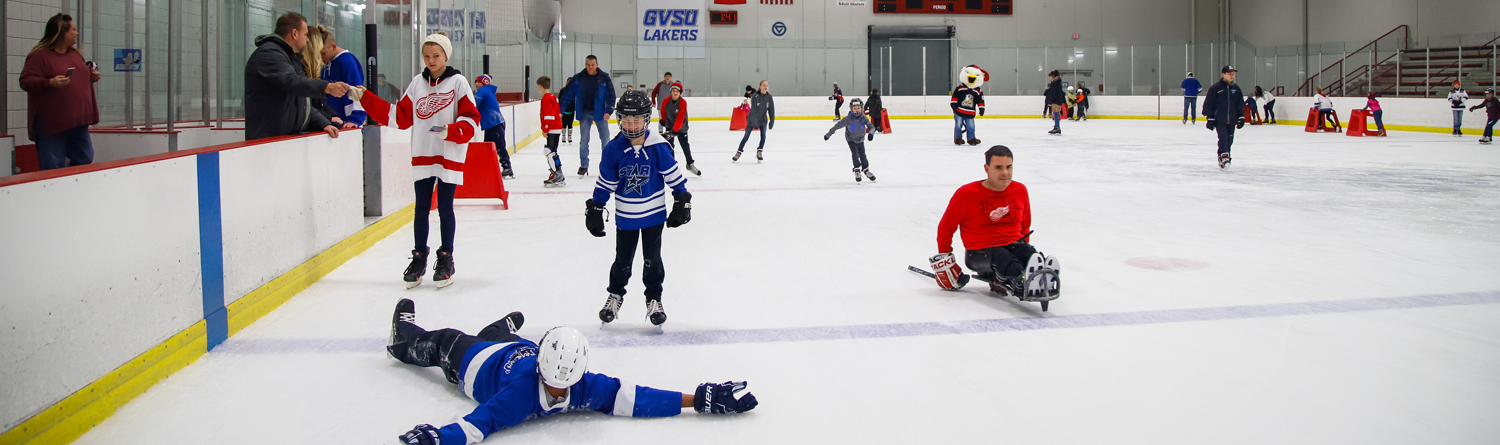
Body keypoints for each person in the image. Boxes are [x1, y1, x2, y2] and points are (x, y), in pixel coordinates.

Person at [384, 299, 756, 445]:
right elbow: (475, 425)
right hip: (476, 359)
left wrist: (697, 400)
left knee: (501, 335)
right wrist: (438, 438)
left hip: (516, 351)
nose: (561, 393)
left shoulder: (576, 384)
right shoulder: (522, 396)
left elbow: (634, 397)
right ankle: (402, 338)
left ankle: (499, 328)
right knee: (442, 341)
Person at [349, 31, 478, 289]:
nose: (431, 60)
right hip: (422, 155)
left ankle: (446, 258)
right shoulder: (417, 84)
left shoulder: (458, 83)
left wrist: (451, 131)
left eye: (436, 56)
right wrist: (365, 97)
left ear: (446, 56)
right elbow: (400, 116)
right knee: (420, 209)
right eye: (427, 56)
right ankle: (419, 256)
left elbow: (472, 119)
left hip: (448, 154)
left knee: (444, 208)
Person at [587, 90, 692, 326]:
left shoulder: (658, 146)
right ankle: (615, 295)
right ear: (619, 119)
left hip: (654, 216)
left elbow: (674, 177)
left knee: (652, 260)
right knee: (622, 260)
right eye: (626, 119)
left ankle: (654, 298)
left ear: (646, 119)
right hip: (626, 217)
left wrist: (682, 199)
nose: (631, 124)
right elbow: (606, 183)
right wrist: (596, 206)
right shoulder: (613, 149)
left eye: (636, 119)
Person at [931, 145, 1060, 307]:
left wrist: (1025, 253)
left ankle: (1039, 277)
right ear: (987, 168)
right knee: (1004, 258)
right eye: (998, 167)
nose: (1005, 173)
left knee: (1027, 252)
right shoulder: (967, 193)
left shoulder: (1019, 190)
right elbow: (946, 228)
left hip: (1012, 244)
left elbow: (1025, 224)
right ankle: (1021, 281)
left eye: (1008, 167)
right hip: (979, 253)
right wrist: (946, 260)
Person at [244, 12, 346, 141]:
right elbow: (292, 82)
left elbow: (300, 102)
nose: (307, 39)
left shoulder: (290, 57)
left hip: (282, 139)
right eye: (305, 35)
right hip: (267, 140)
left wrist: (323, 122)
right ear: (294, 33)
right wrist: (327, 87)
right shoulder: (269, 54)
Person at [19, 13, 100, 170]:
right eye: (73, 29)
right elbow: (25, 81)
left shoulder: (76, 55)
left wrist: (91, 78)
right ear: (62, 32)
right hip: (52, 121)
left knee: (85, 157)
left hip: (77, 120)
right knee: (52, 165)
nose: (77, 33)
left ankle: (70, 186)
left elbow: (79, 79)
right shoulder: (39, 56)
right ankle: (53, 190)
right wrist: (49, 82)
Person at [559, 55, 616, 178]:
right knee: (584, 141)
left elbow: (611, 95)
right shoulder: (578, 78)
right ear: (585, 64)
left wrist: (609, 111)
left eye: (593, 65)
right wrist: (560, 111)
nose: (590, 67)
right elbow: (567, 94)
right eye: (588, 65)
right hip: (584, 113)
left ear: (597, 64)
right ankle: (584, 165)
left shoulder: (604, 78)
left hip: (601, 113)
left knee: (605, 141)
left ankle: (607, 165)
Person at [318, 27, 366, 129]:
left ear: (333, 46)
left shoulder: (347, 61)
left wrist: (355, 119)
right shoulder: (325, 63)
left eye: (323, 53)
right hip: (333, 120)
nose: (321, 57)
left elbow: (357, 90)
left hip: (346, 122)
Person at [824, 98, 877, 183]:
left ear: (862, 108)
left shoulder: (864, 118)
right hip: (851, 139)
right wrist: (829, 134)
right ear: (851, 109)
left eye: (859, 108)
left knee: (863, 155)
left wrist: (871, 133)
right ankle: (857, 170)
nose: (857, 110)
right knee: (855, 154)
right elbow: (837, 126)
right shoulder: (847, 119)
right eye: (855, 108)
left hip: (860, 139)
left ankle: (866, 170)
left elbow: (871, 127)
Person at [1203, 65, 1245, 169]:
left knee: (1230, 139)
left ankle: (1225, 155)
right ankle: (1224, 155)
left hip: (1232, 118)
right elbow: (1209, 103)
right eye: (1229, 73)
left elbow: (1240, 103)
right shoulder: (1216, 88)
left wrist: (1241, 117)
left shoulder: (1236, 89)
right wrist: (1210, 118)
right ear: (1223, 74)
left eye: (1233, 74)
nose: (1232, 76)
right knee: (1223, 137)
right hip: (1219, 119)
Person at [470, 74, 511, 179]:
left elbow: (475, 103)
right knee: (488, 146)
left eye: (479, 82)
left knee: (498, 146)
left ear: (485, 82)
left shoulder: (483, 90)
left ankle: (506, 167)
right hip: (493, 123)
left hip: (494, 123)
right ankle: (490, 167)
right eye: (476, 83)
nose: (477, 84)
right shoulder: (488, 90)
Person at [660, 82, 701, 176]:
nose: (675, 93)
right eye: (673, 91)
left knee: (685, 146)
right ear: (671, 91)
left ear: (680, 92)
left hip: (681, 127)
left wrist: (675, 130)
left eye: (677, 91)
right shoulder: (665, 101)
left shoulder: (683, 102)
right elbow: (663, 111)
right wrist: (663, 120)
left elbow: (680, 118)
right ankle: (672, 165)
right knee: (669, 146)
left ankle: (690, 164)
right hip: (670, 125)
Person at [735, 80, 775, 162]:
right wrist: (754, 122)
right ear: (760, 86)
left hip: (763, 120)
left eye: (767, 85)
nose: (765, 87)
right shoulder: (755, 96)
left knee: (763, 136)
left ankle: (759, 151)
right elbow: (753, 111)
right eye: (764, 85)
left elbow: (771, 110)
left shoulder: (769, 97)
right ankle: (739, 152)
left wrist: (772, 121)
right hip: (752, 120)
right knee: (746, 137)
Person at [537, 76, 565, 187]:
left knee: (549, 151)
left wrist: (545, 129)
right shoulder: (552, 97)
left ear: (540, 87)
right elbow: (558, 113)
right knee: (552, 151)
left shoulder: (546, 98)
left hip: (552, 128)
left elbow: (548, 116)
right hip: (556, 127)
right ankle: (557, 173)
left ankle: (557, 173)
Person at [951, 66, 985, 145]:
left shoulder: (978, 90)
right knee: (958, 126)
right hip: (959, 111)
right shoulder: (960, 87)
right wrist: (954, 106)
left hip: (970, 113)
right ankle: (958, 139)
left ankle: (971, 139)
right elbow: (955, 97)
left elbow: (980, 100)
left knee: (971, 127)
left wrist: (981, 108)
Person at [1044, 70, 1065, 135]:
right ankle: (1056, 126)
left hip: (1056, 100)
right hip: (1057, 100)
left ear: (1053, 76)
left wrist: (1050, 101)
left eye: (1050, 76)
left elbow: (1053, 93)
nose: (1050, 78)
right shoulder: (1057, 83)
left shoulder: (1055, 83)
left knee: (1056, 114)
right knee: (1056, 113)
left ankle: (1057, 127)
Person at [560, 76, 576, 144]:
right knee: (564, 124)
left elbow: (576, 101)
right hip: (564, 111)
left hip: (571, 111)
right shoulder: (563, 90)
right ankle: (563, 136)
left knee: (570, 124)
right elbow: (560, 100)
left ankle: (570, 136)